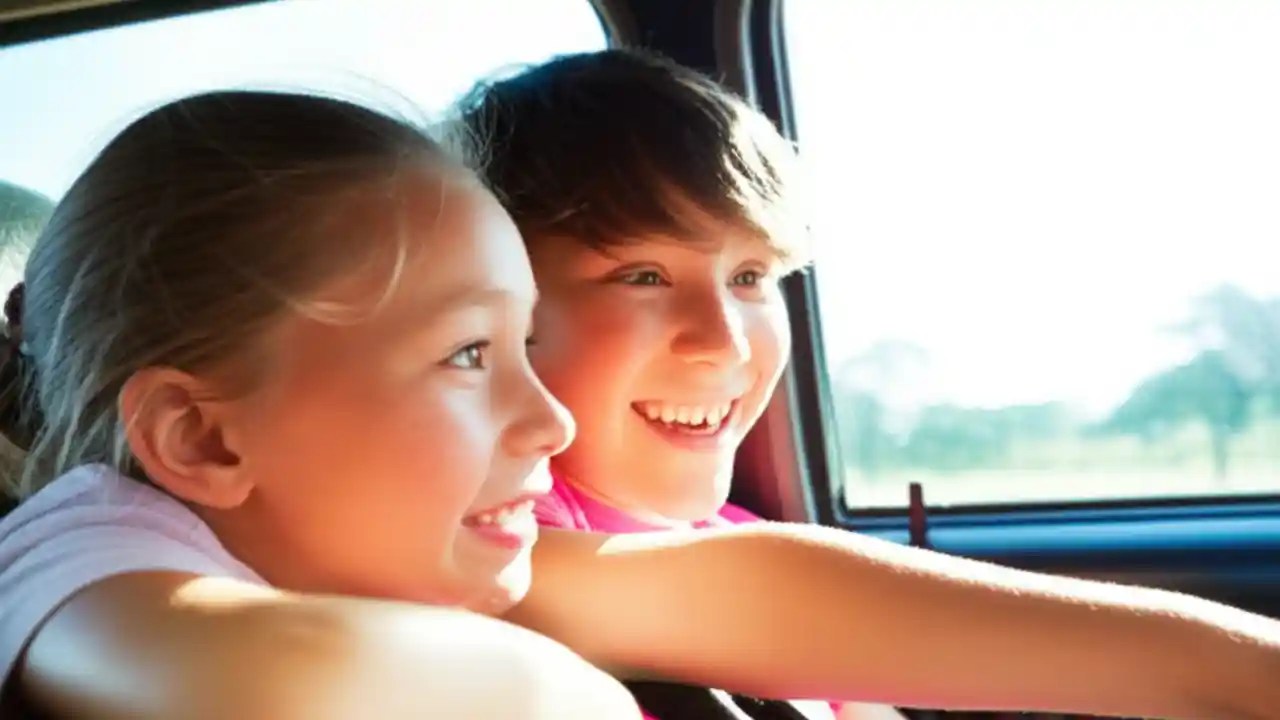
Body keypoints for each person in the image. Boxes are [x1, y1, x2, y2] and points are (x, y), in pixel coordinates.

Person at [0, 90, 1277, 720]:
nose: (547, 415)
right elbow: (253, 672)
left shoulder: (405, 546)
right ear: (204, 434)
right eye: (466, 355)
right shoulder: (82, 546)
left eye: (522, 344)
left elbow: (731, 591)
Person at [454, 48, 902, 720]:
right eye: (642, 277)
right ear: (505, 310)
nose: (724, 341)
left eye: (749, 277)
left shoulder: (733, 532)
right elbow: (769, 590)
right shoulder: (500, 552)